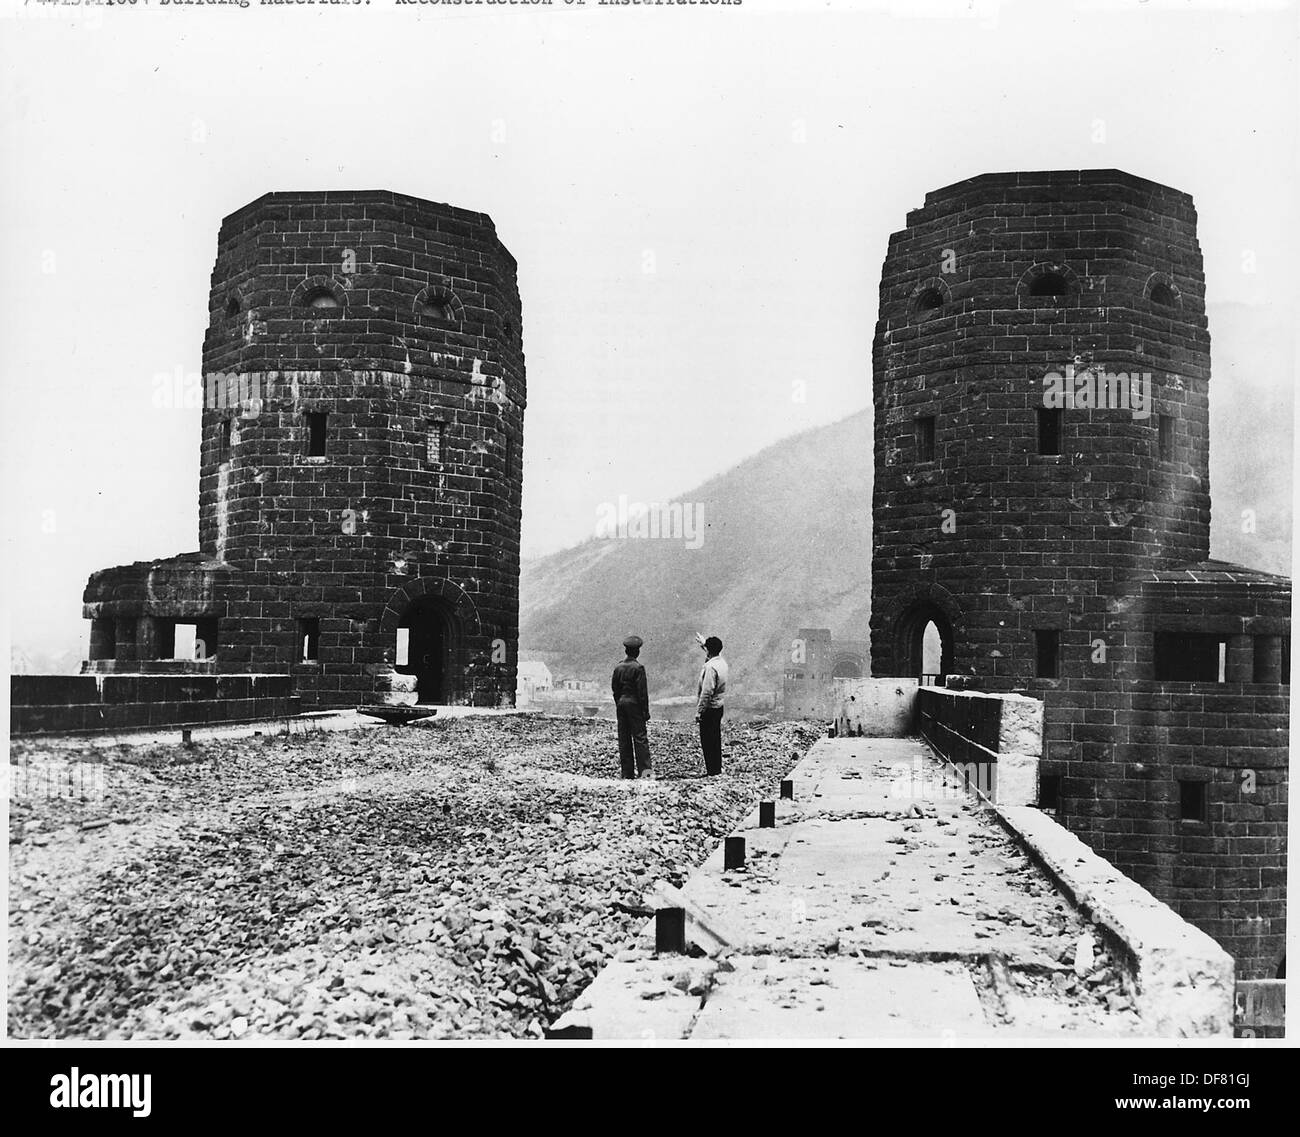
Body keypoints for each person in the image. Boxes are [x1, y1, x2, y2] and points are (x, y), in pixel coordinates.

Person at [611, 635, 653, 780]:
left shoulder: (618, 667)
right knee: (640, 739)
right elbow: (642, 692)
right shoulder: (638, 668)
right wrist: (645, 712)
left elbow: (615, 690)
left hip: (621, 704)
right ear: (637, 652)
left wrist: (619, 703)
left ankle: (627, 774)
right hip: (634, 705)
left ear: (626, 650)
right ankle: (646, 774)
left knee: (624, 739)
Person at [695, 635, 728, 775]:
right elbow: (714, 654)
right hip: (719, 706)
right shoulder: (722, 662)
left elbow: (707, 692)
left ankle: (711, 771)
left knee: (707, 740)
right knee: (715, 738)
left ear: (709, 650)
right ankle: (716, 769)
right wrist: (704, 645)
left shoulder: (710, 667)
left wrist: (699, 711)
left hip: (709, 708)